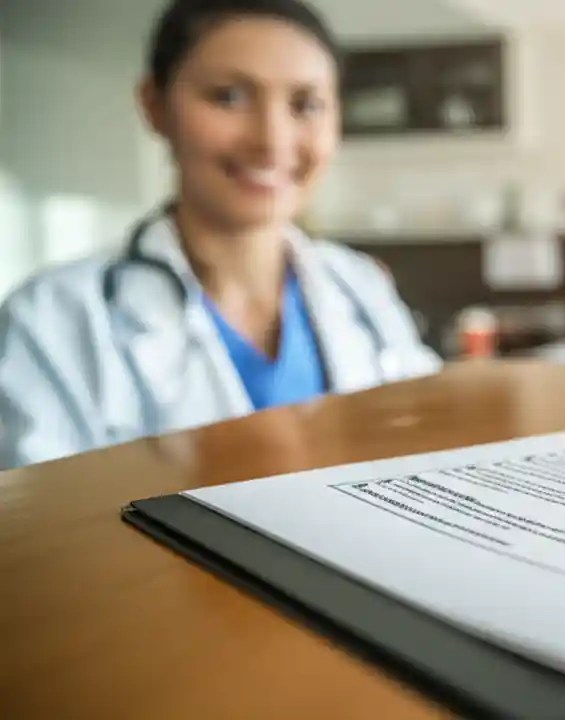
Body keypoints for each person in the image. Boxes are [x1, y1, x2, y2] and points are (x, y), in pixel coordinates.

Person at [0, 0, 442, 469]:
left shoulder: (360, 287)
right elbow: (38, 528)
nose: (272, 140)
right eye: (229, 96)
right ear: (155, 106)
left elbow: (434, 449)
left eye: (306, 105)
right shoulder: (52, 320)